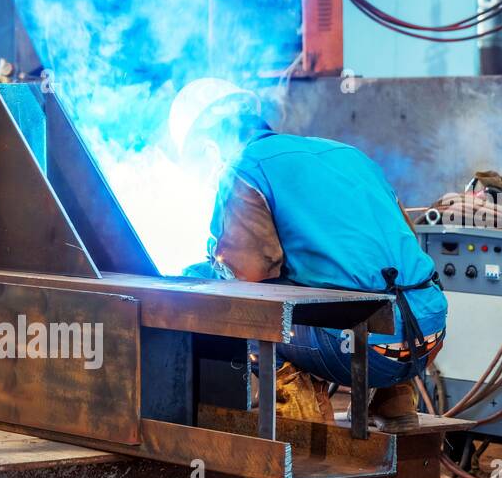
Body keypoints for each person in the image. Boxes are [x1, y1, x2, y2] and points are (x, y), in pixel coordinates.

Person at [171, 78, 447, 432]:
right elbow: (402, 248)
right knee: (373, 287)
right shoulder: (345, 154)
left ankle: (304, 419)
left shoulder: (243, 166)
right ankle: (395, 400)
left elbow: (251, 274)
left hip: (360, 347)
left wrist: (207, 265)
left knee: (220, 295)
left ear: (209, 147)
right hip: (428, 335)